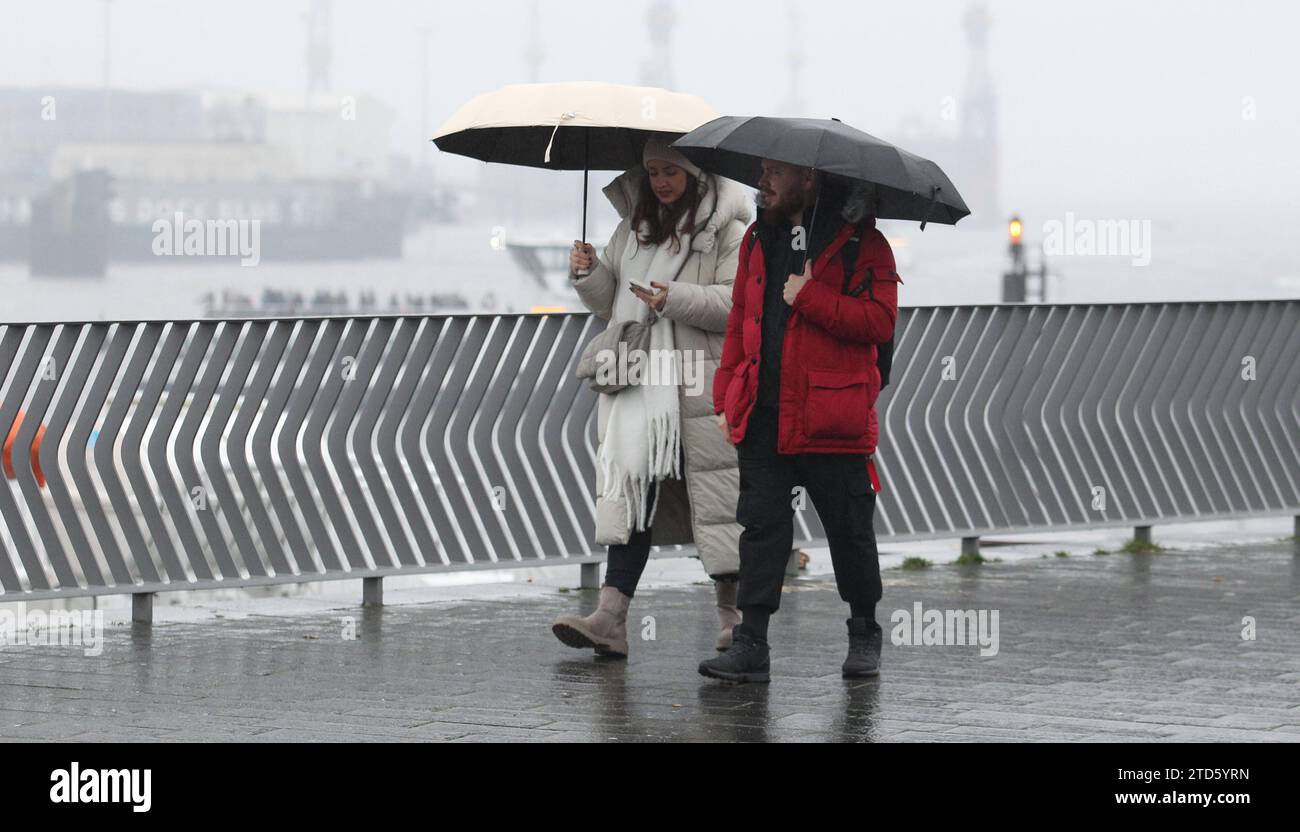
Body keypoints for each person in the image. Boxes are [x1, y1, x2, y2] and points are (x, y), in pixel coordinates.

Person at [698, 160, 900, 683]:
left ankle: (863, 633)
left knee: (850, 530)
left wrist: (810, 296)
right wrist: (725, 397)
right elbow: (741, 322)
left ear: (808, 179)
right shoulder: (756, 241)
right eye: (761, 171)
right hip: (764, 417)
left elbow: (879, 322)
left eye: (773, 173)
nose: (761, 182)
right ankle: (751, 645)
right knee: (762, 529)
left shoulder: (865, 245)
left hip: (833, 419)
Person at [551, 138, 753, 658]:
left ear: (695, 174)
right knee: (631, 492)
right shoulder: (633, 231)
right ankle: (611, 619)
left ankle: (733, 618)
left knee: (716, 502)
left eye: (671, 171)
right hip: (638, 385)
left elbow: (737, 305)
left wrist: (674, 298)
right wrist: (589, 273)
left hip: (696, 390)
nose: (661, 181)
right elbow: (611, 306)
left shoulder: (728, 233)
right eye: (653, 172)